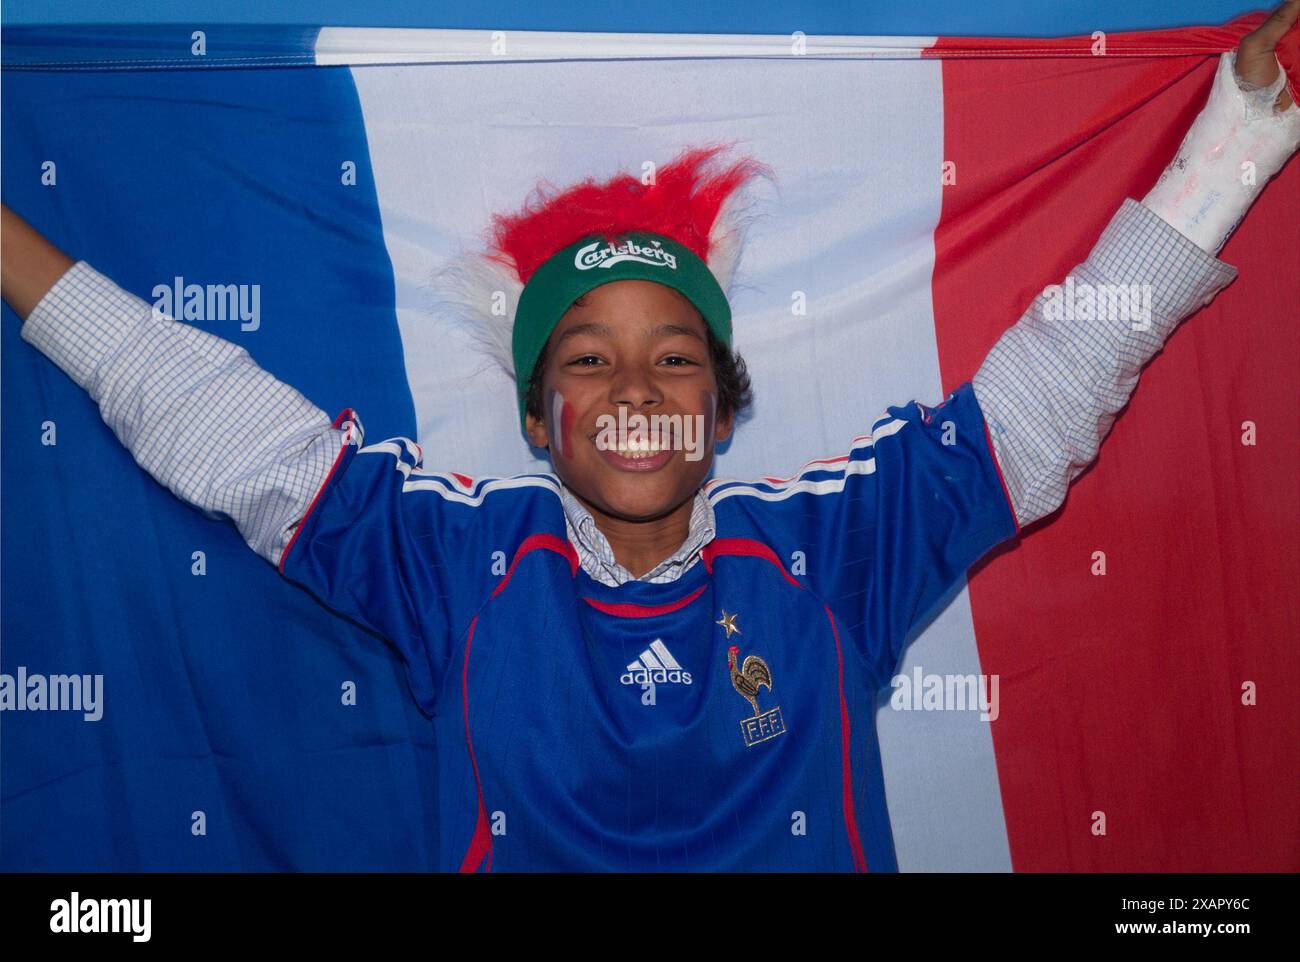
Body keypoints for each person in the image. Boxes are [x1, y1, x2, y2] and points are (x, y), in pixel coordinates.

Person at [3, 7, 1298, 872]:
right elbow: (211, 417)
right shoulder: (452, 556)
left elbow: (1056, 380)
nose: (633, 384)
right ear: (534, 418)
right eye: (587, 357)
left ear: (724, 404)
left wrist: (1233, 145)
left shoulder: (834, 547)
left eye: (674, 353)